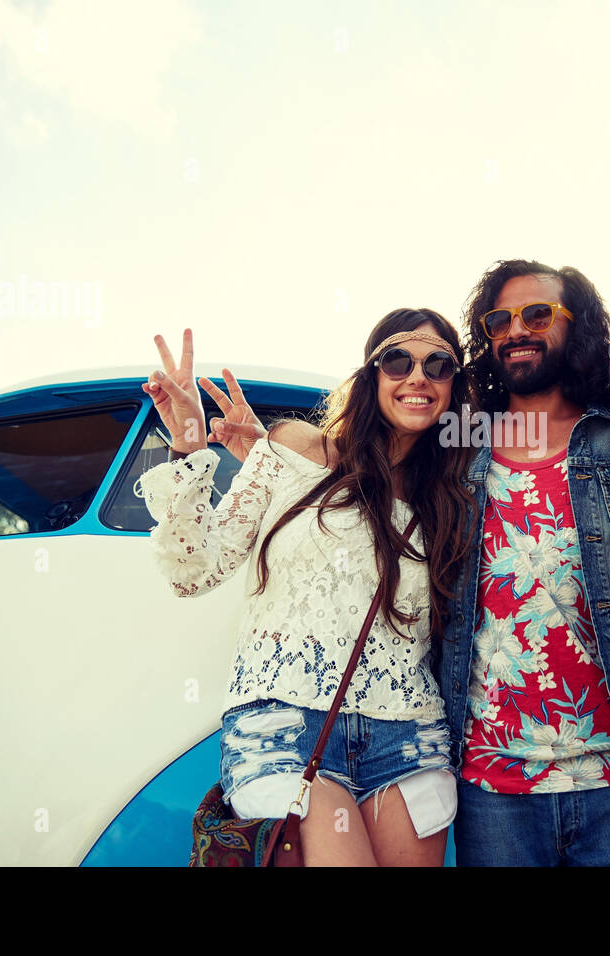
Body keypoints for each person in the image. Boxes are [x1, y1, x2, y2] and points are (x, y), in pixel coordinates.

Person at [134, 312, 474, 866]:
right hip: (286, 729)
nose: (418, 377)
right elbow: (192, 572)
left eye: (438, 365)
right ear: (371, 375)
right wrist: (188, 450)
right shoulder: (294, 449)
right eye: (398, 361)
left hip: (410, 737)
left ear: (453, 388)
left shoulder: (452, 498)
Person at [433, 259, 610, 866]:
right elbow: (369, 457)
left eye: (538, 313)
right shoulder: (459, 444)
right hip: (493, 785)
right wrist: (272, 442)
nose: (517, 329)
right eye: (500, 319)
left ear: (578, 325)